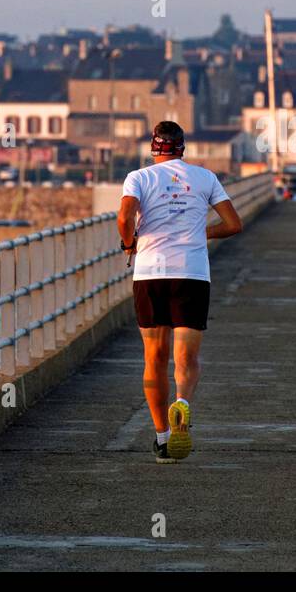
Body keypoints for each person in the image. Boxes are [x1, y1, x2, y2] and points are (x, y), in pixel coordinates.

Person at [118, 121, 243, 463]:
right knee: (186, 358)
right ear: (182, 147)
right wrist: (202, 233)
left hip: (151, 274)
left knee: (154, 358)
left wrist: (128, 244)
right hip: (191, 274)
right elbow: (234, 224)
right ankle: (182, 403)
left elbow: (125, 216)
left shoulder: (139, 178)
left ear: (153, 148)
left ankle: (162, 438)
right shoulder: (205, 177)